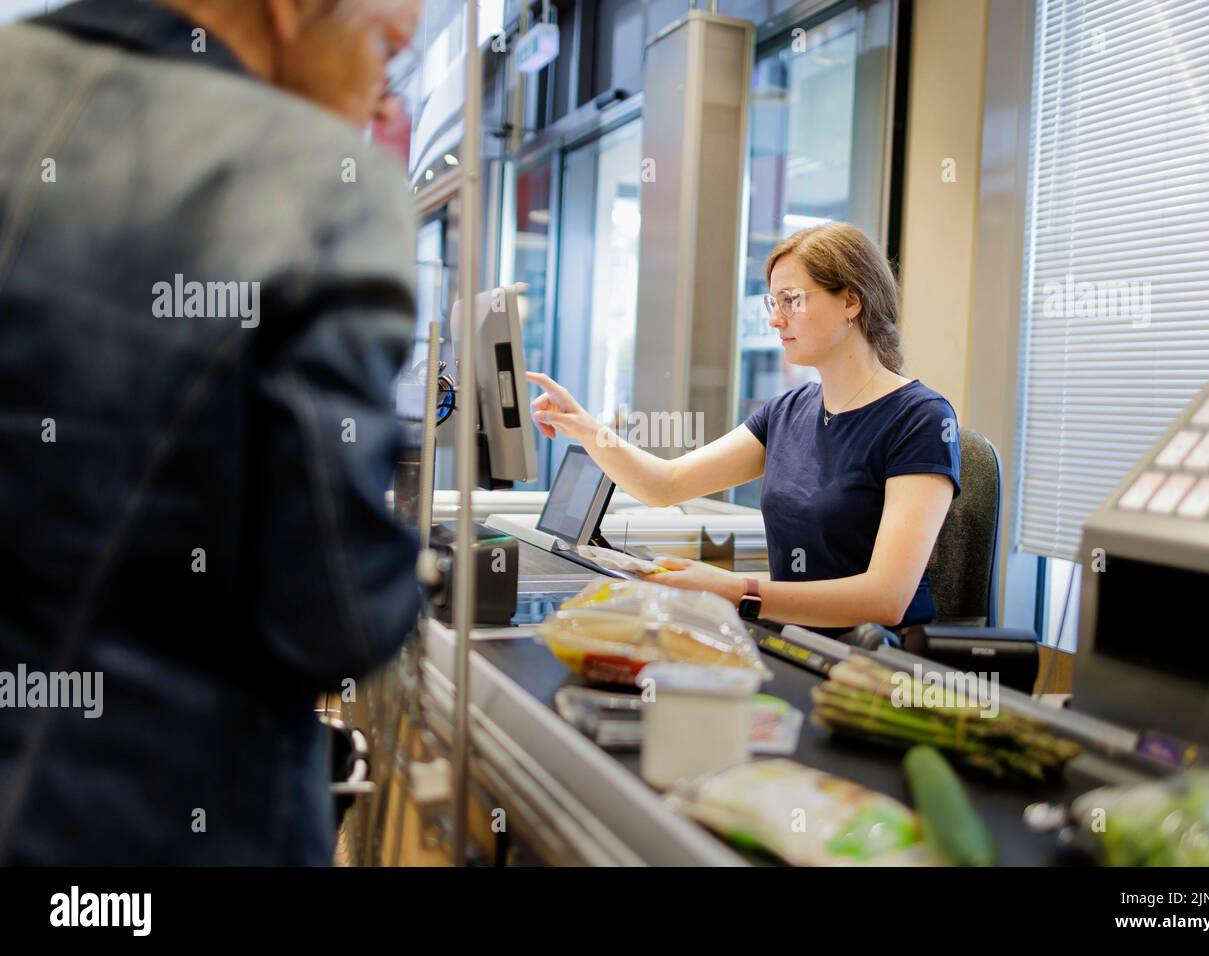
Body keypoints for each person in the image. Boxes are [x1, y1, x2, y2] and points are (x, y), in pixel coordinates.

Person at [0, 0, 422, 865]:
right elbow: (335, 614)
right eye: (385, 46)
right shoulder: (310, 183)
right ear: (295, 11)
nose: (384, 98)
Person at [527, 222, 961, 634]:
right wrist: (585, 427)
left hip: (875, 666)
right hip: (792, 641)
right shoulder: (787, 412)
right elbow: (666, 484)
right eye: (774, 304)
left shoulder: (921, 419)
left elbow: (885, 600)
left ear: (850, 300)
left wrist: (736, 591)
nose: (776, 320)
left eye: (792, 300)